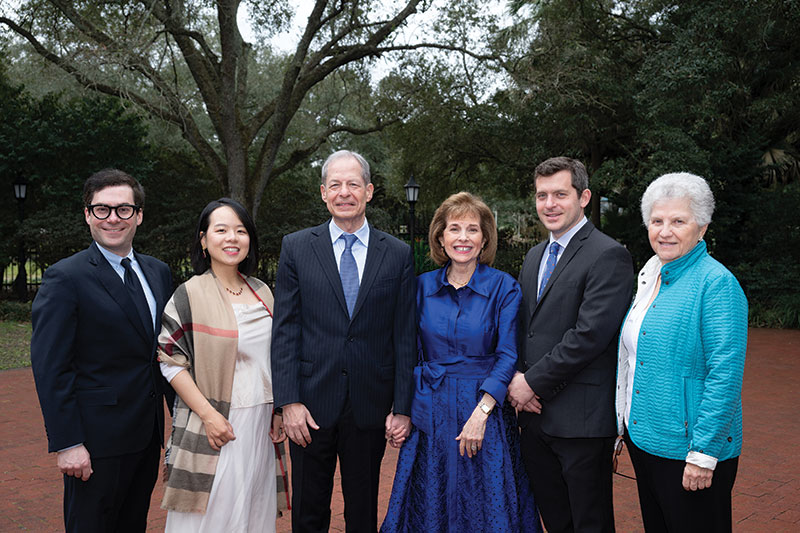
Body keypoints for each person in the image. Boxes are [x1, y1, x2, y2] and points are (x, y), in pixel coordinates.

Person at [270, 150, 416, 532]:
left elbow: (404, 334)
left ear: (369, 191)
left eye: (353, 184)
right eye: (335, 184)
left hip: (370, 402)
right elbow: (285, 329)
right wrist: (288, 401)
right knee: (310, 511)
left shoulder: (397, 254)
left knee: (363, 511)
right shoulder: (297, 248)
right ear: (323, 192)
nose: (344, 192)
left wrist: (402, 406)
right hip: (310, 405)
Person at [381, 192, 542, 533]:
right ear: (440, 237)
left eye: (473, 229)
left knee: (486, 503)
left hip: (483, 410)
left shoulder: (504, 288)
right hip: (431, 413)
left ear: (485, 239)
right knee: (429, 501)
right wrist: (400, 409)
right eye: (455, 229)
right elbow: (406, 352)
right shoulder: (419, 288)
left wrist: (482, 413)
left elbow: (508, 354)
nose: (463, 238)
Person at [30, 169, 173, 532]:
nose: (113, 218)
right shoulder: (66, 277)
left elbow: (165, 353)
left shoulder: (157, 272)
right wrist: (68, 443)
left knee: (132, 524)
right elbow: (51, 367)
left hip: (146, 436)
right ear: (87, 215)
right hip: (95, 443)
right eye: (102, 209)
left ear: (139, 215)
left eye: (124, 209)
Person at [508, 156, 634, 533]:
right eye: (542, 195)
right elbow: (522, 329)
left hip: (581, 422)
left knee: (589, 523)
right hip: (533, 419)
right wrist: (516, 376)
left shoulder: (608, 254)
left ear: (584, 198)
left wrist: (530, 383)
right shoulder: (533, 257)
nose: (549, 204)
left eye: (560, 194)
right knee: (556, 521)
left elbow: (589, 335)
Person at [616, 173, 747, 532]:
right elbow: (632, 354)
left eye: (678, 221)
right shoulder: (652, 273)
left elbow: (725, 375)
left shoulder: (717, 284)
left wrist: (703, 456)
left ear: (701, 228)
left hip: (690, 451)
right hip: (646, 442)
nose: (665, 231)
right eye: (657, 221)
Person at [157, 198, 286, 532]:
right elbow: (170, 361)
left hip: (258, 424)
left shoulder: (263, 292)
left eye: (241, 231)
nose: (232, 238)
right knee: (211, 513)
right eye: (222, 230)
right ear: (203, 239)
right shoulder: (189, 293)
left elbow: (276, 358)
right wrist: (210, 416)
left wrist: (278, 411)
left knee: (252, 511)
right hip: (214, 426)